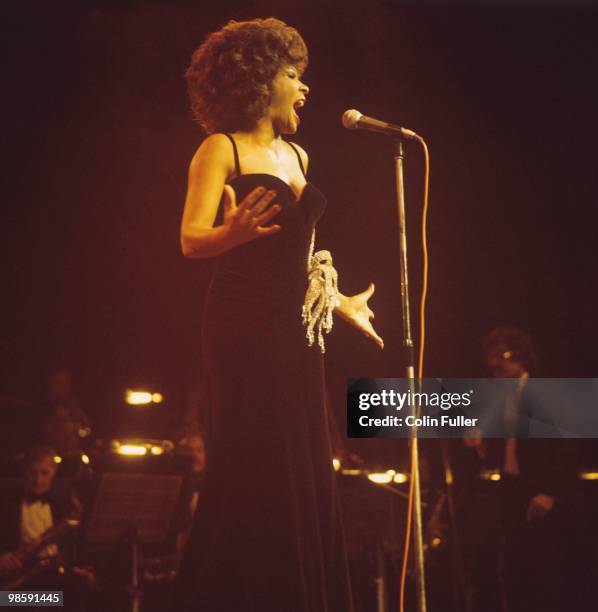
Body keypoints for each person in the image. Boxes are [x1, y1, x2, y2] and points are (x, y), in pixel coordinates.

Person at [173, 17, 383, 611]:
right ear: (258, 81)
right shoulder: (222, 148)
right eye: (293, 74)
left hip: (297, 330)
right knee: (255, 455)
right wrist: (231, 232)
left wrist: (337, 301)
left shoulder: (298, 153)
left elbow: (297, 251)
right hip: (242, 321)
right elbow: (191, 239)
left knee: (305, 455)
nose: (304, 86)